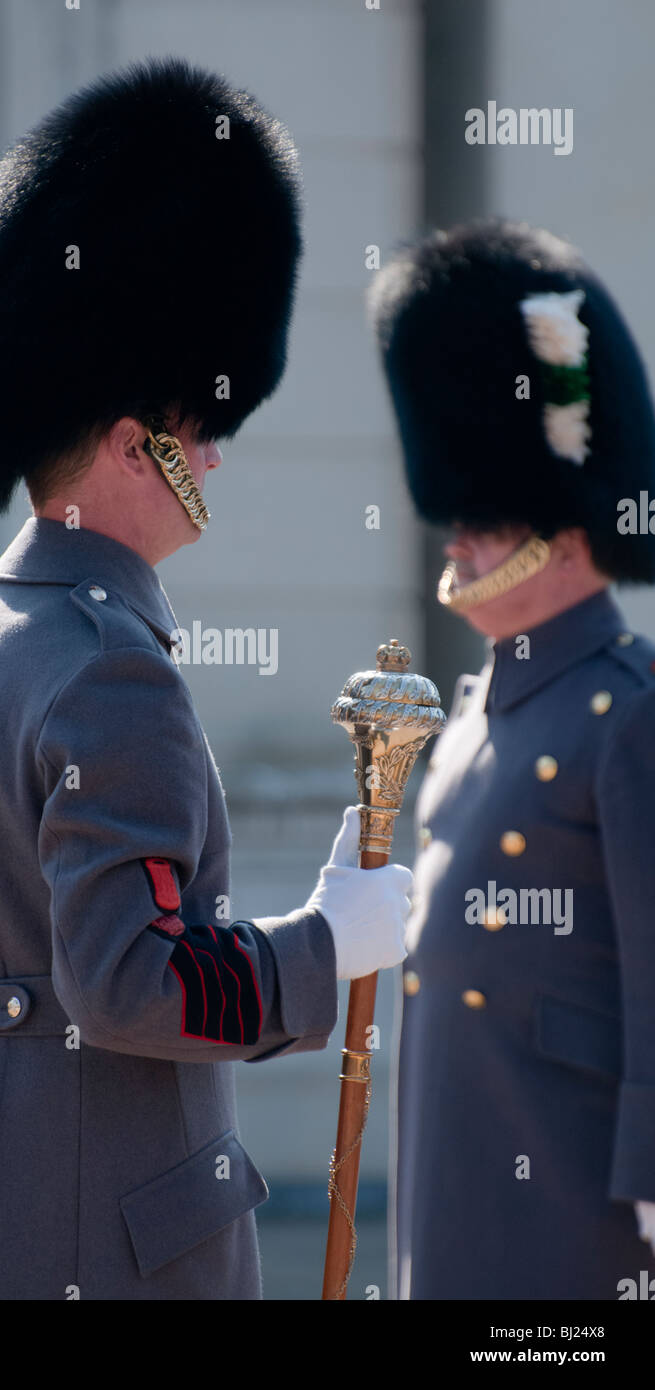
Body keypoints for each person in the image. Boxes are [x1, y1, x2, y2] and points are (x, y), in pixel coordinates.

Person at [0, 57, 413, 1301]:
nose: (213, 453)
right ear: (126, 445)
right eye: (193, 427)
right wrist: (324, 947)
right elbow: (131, 982)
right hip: (109, 1240)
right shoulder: (113, 669)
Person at [372, 219, 655, 1300]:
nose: (455, 538)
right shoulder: (481, 709)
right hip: (458, 1185)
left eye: (482, 518)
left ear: (566, 527)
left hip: (571, 1214)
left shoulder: (623, 714)